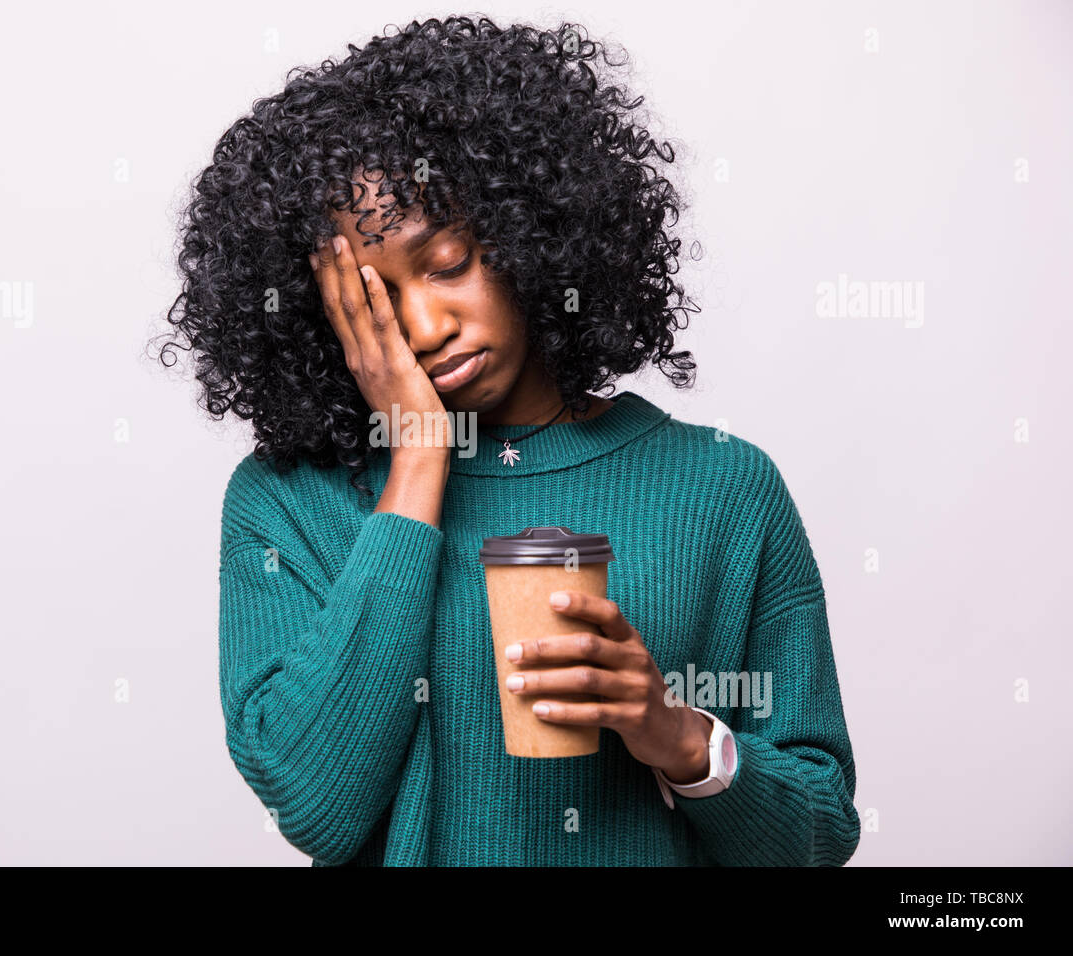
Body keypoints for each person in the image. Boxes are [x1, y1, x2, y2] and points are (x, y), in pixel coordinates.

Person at [158, 15, 861, 866]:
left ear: (533, 233)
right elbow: (317, 806)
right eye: (374, 301)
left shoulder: (722, 487)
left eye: (449, 262)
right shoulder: (289, 502)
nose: (423, 325)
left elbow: (819, 838)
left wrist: (676, 735)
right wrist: (418, 457)